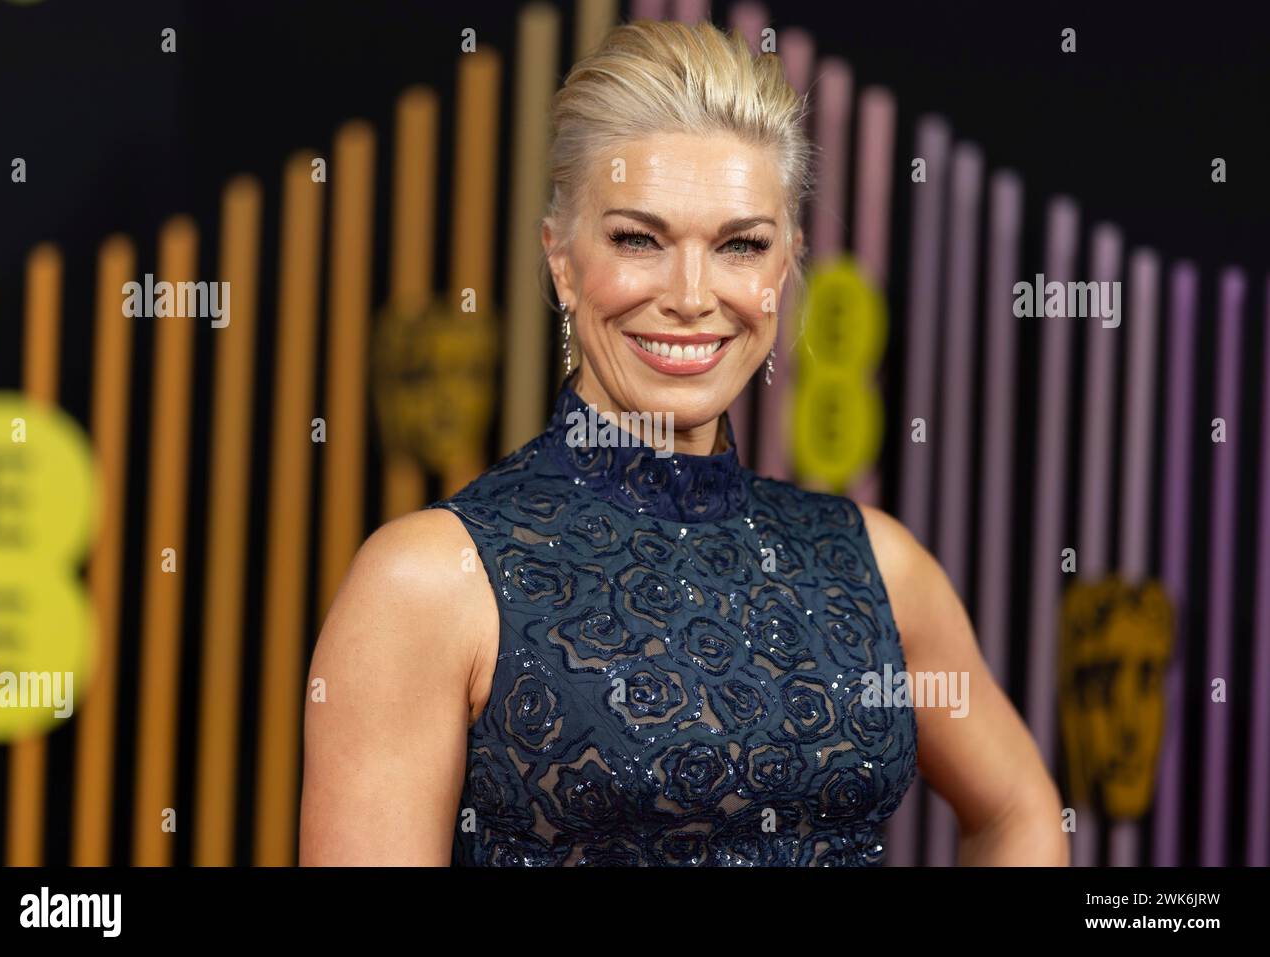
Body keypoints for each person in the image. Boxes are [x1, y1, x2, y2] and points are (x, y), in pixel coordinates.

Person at [300, 18, 1067, 866]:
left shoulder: (878, 566)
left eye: (741, 245)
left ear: (784, 269)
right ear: (560, 258)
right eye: (639, 239)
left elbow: (1019, 812)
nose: (692, 296)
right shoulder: (425, 584)